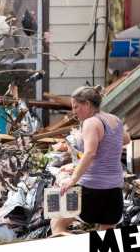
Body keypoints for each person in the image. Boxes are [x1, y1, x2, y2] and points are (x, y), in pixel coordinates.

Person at [51, 86, 131, 235]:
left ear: (87, 104)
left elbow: (89, 153)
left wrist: (72, 180)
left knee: (56, 223)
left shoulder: (90, 122)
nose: (74, 111)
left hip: (91, 190)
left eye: (76, 107)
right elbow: (126, 139)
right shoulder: (116, 120)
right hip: (114, 190)